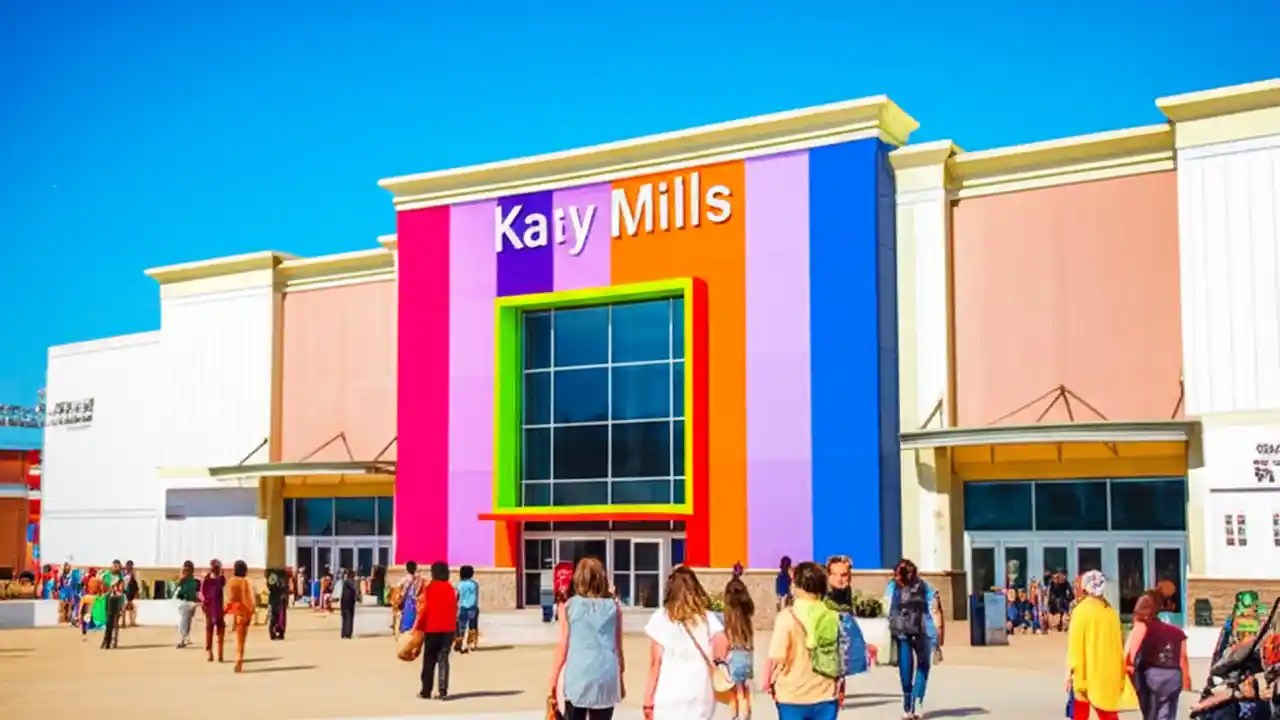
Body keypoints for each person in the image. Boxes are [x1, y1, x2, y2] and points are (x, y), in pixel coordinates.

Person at [643, 565, 727, 720]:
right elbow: (722, 643)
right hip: (700, 691)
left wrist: (648, 699)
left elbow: (655, 663)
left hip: (668, 692)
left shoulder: (660, 617)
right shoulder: (707, 618)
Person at [548, 556, 624, 719]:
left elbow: (563, 645)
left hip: (578, 675)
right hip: (606, 675)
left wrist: (552, 681)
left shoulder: (569, 606)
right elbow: (618, 648)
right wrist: (621, 678)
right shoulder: (614, 607)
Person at [765, 561, 840, 720]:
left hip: (792, 695)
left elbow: (777, 657)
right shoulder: (832, 615)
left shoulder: (787, 617)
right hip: (825, 693)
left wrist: (769, 682)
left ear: (797, 586)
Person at [1066, 570, 1136, 720]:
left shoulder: (1081, 611)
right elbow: (1120, 642)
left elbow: (1075, 646)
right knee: (1108, 712)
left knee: (1080, 712)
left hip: (1085, 671)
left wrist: (1070, 671)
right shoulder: (1110, 612)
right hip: (1108, 671)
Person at [884, 559, 939, 718]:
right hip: (922, 630)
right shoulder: (925, 586)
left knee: (905, 667)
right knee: (923, 666)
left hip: (901, 631)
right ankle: (918, 702)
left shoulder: (892, 587)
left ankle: (907, 705)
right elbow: (934, 609)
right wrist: (937, 634)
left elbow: (886, 607)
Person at [1125, 591, 1190, 720]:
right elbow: (1182, 657)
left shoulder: (1141, 626)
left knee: (1153, 714)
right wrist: (1186, 679)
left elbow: (1130, 653)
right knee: (1168, 714)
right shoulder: (1176, 631)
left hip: (1153, 675)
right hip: (1174, 675)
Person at [414, 561, 458, 700]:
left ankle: (426, 690)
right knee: (443, 659)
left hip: (432, 629)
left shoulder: (430, 588)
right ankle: (443, 690)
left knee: (429, 661)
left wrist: (419, 627)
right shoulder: (451, 589)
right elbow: (453, 610)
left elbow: (425, 609)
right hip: (448, 629)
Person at [723, 577, 756, 720]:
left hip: (732, 654)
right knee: (744, 688)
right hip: (747, 654)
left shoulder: (727, 617)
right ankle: (746, 713)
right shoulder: (746, 614)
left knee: (734, 689)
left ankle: (735, 715)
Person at [225, 560, 255, 673]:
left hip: (232, 612)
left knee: (236, 639)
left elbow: (228, 598)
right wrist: (251, 610)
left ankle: (237, 659)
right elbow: (246, 598)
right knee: (241, 640)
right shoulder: (244, 582)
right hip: (242, 612)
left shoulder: (230, 582)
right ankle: (239, 661)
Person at [201, 559, 227, 663]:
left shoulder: (221, 579)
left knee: (220, 629)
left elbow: (223, 582)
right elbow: (202, 593)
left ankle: (220, 654)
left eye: (217, 567)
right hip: (209, 608)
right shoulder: (207, 579)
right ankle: (210, 652)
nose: (215, 569)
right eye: (214, 567)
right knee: (209, 629)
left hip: (218, 608)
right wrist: (204, 603)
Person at [174, 561, 200, 648]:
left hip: (192, 602)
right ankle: (182, 640)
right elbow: (177, 586)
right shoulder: (183, 579)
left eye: (189, 569)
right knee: (184, 622)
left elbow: (196, 592)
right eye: (186, 568)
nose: (187, 570)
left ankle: (186, 638)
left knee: (188, 622)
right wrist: (182, 576)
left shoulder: (194, 580)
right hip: (185, 602)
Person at [456, 564, 480, 653]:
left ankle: (461, 643)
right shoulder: (475, 584)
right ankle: (471, 644)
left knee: (461, 626)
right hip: (473, 607)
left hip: (462, 607)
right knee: (473, 627)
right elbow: (475, 595)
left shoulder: (460, 584)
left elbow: (457, 596)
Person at [396, 561, 421, 637]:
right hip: (416, 601)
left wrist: (400, 598)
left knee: (407, 615)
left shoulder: (406, 578)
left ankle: (406, 630)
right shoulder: (418, 579)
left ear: (407, 569)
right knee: (414, 616)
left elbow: (400, 588)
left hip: (408, 600)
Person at [339, 568, 358, 639]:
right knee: (349, 617)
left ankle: (344, 633)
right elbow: (354, 590)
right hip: (349, 602)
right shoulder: (350, 582)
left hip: (344, 601)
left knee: (344, 617)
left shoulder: (346, 582)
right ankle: (348, 633)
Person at [123, 560, 140, 628]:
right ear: (126, 565)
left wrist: (136, 593)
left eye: (131, 566)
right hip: (125, 593)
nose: (130, 567)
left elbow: (135, 584)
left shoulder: (133, 573)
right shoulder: (123, 573)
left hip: (131, 593)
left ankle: (132, 622)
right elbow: (124, 585)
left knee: (132, 609)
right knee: (124, 609)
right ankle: (124, 622)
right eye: (129, 565)